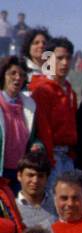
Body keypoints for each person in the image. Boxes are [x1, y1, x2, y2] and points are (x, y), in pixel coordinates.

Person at [29, 36, 79, 176]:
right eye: (59, 58)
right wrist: (49, 160)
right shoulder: (42, 90)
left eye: (68, 58)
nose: (64, 63)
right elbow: (43, 128)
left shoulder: (71, 92)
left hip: (68, 155)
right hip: (51, 155)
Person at [0, 55, 37, 186]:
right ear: (3, 75)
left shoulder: (29, 105)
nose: (17, 78)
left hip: (19, 171)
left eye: (21, 75)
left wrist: (37, 145)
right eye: (13, 73)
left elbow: (33, 137)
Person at [12, 152, 55, 229]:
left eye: (40, 176)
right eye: (30, 175)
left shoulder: (57, 206)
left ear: (47, 178)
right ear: (19, 176)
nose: (35, 180)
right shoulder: (10, 210)